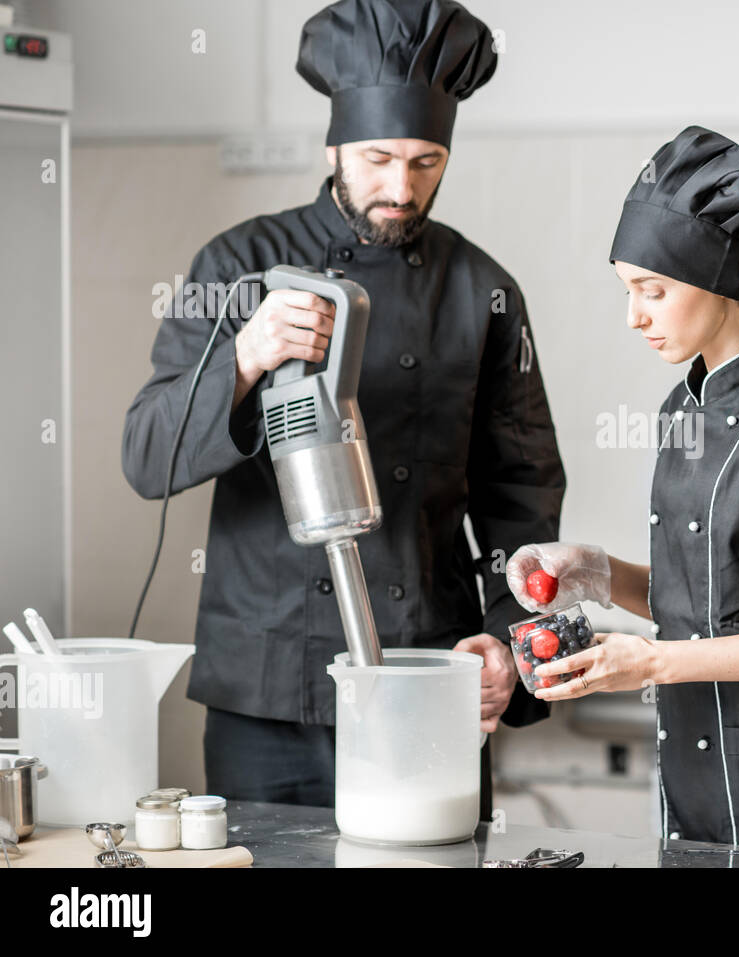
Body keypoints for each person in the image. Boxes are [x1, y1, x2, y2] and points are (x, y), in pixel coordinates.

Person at [121, 0, 564, 815]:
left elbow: (523, 501)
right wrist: (245, 357)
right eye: (378, 158)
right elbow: (146, 456)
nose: (401, 188)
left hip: (424, 683)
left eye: (426, 162)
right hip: (267, 695)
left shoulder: (483, 291)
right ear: (333, 145)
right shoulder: (239, 264)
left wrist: (506, 642)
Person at [506, 126, 739, 847]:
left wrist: (650, 661)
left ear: (718, 277)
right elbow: (714, 597)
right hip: (691, 787)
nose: (635, 315)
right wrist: (593, 574)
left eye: (653, 290)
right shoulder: (681, 409)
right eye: (627, 291)